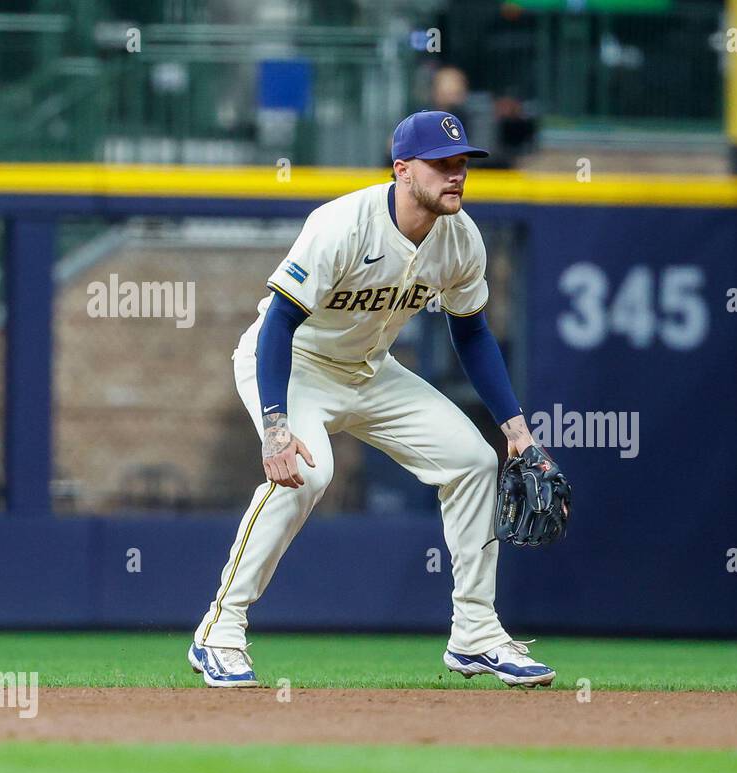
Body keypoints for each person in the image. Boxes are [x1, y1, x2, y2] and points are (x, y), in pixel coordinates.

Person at [188, 110, 556, 689]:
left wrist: (517, 431)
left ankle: (476, 635)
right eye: (441, 164)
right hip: (294, 365)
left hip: (370, 370)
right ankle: (220, 629)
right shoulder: (343, 224)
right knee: (306, 475)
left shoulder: (462, 239)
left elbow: (473, 332)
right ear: (403, 169)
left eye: (461, 163)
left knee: (475, 462)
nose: (455, 175)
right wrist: (276, 427)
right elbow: (279, 323)